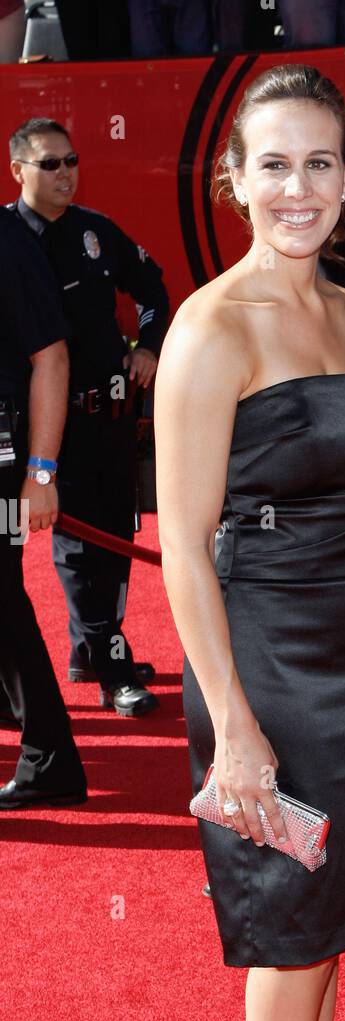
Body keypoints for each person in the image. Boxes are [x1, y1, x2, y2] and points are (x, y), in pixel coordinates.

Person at [154, 63, 345, 1021]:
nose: (296, 188)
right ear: (233, 178)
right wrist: (233, 725)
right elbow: (184, 555)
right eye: (273, 163)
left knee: (332, 912)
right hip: (263, 660)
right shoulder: (211, 327)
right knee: (285, 918)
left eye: (319, 163)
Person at [9, 118, 167, 715]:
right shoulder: (10, 240)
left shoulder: (97, 232)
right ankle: (114, 667)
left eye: (71, 160)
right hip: (49, 428)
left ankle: (88, 650)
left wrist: (148, 347)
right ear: (18, 169)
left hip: (112, 422)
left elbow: (152, 290)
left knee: (116, 540)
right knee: (77, 549)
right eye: (50, 164)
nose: (65, 173)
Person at [0, 207, 87, 811]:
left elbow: (50, 356)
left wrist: (41, 472)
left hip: (3, 468)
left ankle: (50, 758)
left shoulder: (5, 239)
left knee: (1, 598)